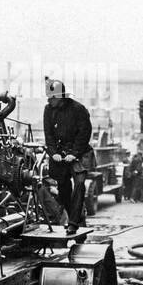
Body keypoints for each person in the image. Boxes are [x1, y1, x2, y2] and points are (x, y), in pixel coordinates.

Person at [42, 79, 92, 233]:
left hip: (80, 153)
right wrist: (54, 153)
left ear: (61, 96)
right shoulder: (48, 110)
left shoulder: (78, 109)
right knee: (63, 189)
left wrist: (74, 154)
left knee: (79, 185)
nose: (49, 100)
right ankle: (76, 218)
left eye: (52, 97)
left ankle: (73, 223)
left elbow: (85, 133)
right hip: (60, 154)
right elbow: (48, 135)